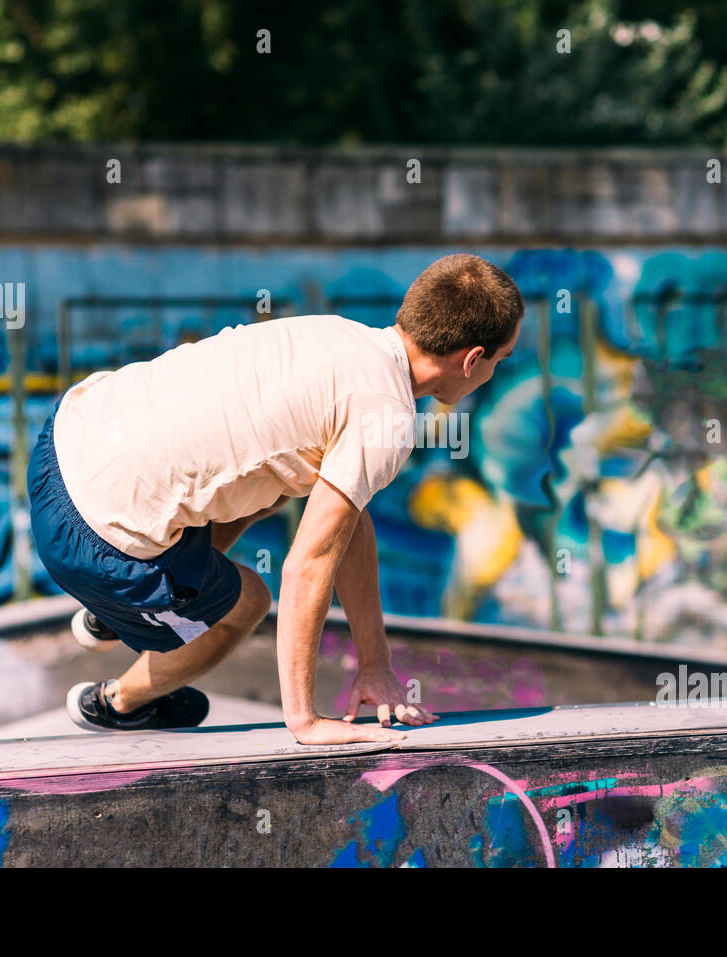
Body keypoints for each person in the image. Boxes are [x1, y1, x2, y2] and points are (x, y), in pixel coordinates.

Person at [27, 253, 523, 745]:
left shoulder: (338, 335)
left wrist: (375, 663)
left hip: (63, 439)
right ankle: (117, 702)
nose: (494, 373)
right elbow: (307, 566)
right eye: (500, 362)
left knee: (278, 488)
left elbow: (349, 528)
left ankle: (113, 617)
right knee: (247, 605)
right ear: (472, 359)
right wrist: (304, 721)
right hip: (95, 539)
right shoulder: (387, 416)